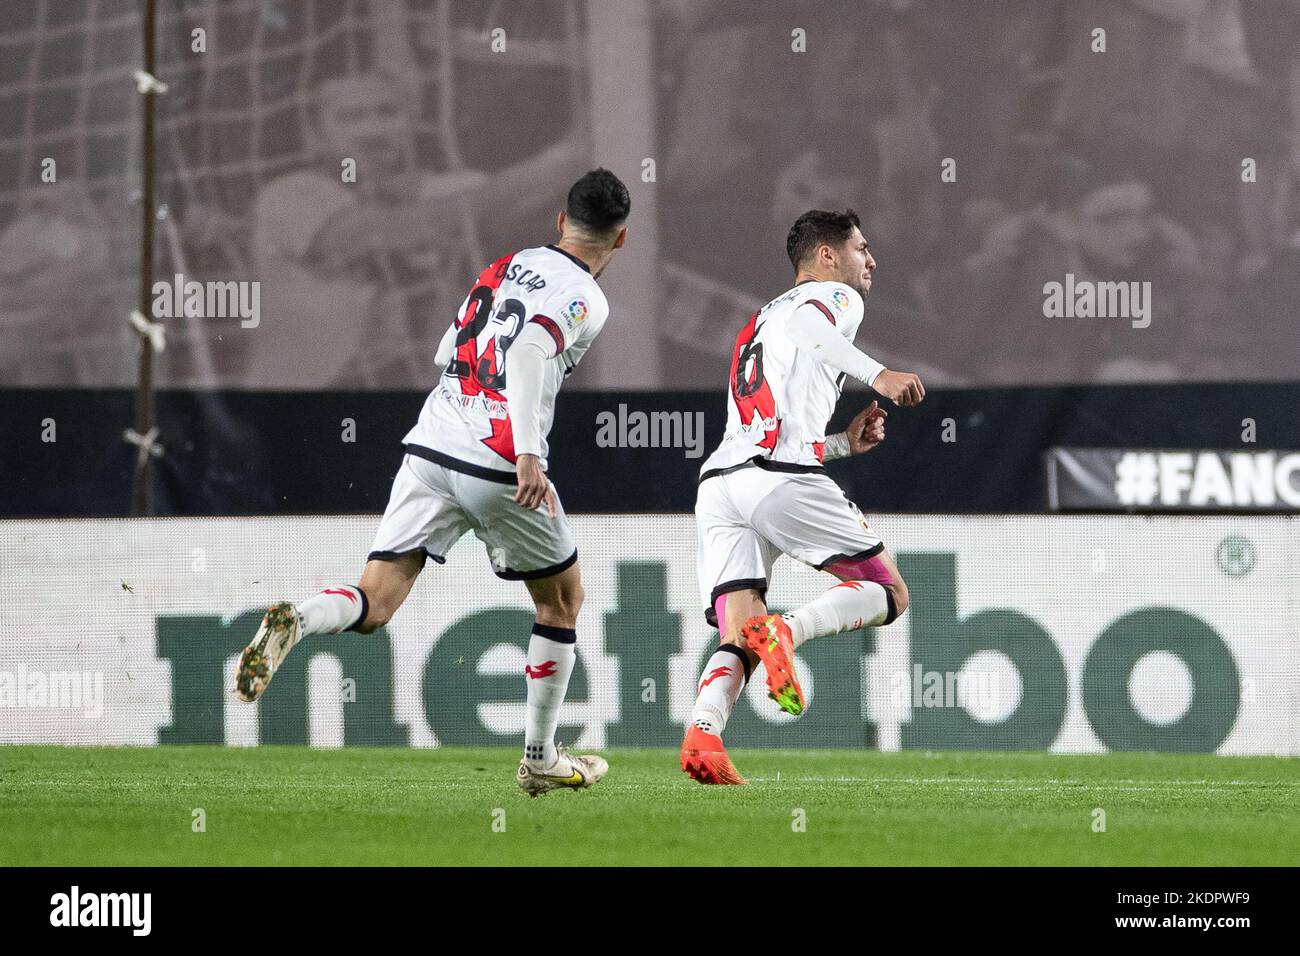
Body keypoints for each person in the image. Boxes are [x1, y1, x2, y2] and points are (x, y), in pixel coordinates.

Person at [234, 169, 630, 797]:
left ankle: (300, 619)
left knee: (377, 601)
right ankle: (540, 757)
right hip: (499, 460)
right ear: (622, 239)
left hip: (432, 441)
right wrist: (529, 453)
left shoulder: (510, 263)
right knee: (561, 601)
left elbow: (449, 349)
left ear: (560, 220)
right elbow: (527, 352)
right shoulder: (589, 297)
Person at [683, 208, 924, 785]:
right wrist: (880, 373)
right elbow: (810, 334)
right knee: (889, 592)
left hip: (723, 483)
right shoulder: (835, 299)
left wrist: (841, 444)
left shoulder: (764, 315)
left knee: (738, 633)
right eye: (861, 248)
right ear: (827, 256)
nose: (871, 260)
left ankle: (702, 737)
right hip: (777, 478)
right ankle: (789, 631)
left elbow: (774, 421)